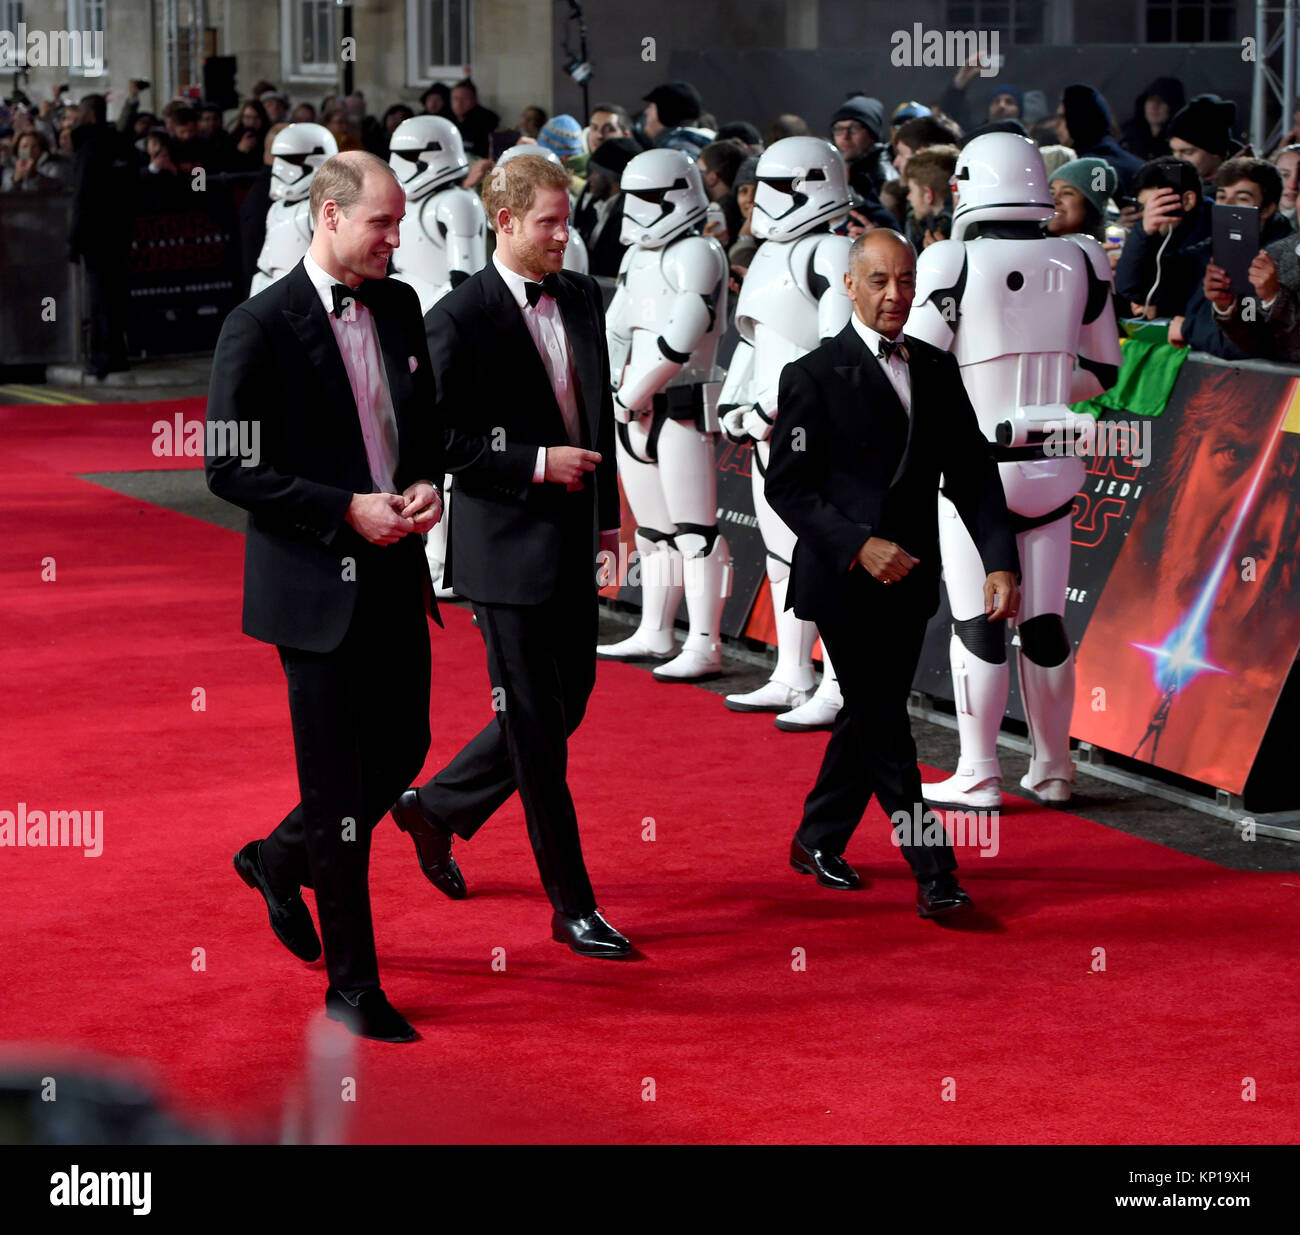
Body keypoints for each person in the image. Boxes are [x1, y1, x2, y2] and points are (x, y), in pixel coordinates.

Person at [207, 151, 446, 1043]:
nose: (397, 237)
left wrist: (426, 487)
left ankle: (278, 855)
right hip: (312, 585)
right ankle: (353, 985)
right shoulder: (256, 326)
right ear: (329, 215)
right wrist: (343, 508)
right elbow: (228, 466)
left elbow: (418, 435)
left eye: (400, 220)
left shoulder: (401, 304)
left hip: (396, 567)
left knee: (407, 745)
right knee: (340, 786)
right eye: (383, 223)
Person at [388, 152, 632, 959]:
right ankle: (573, 904)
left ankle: (437, 806)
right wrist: (533, 461)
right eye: (550, 223)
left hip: (572, 536)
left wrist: (606, 525)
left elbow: (596, 423)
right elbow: (438, 439)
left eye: (568, 219)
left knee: (570, 706)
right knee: (535, 727)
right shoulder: (458, 318)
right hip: (503, 548)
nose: (566, 235)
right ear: (504, 222)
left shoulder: (581, 297)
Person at [763, 230, 1020, 916]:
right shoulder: (812, 374)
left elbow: (972, 472)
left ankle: (816, 836)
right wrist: (858, 544)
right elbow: (786, 488)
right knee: (888, 725)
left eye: (905, 281)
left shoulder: (937, 367)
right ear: (850, 285)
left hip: (910, 579)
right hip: (844, 581)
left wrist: (999, 557)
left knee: (870, 713)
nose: (895, 295)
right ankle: (934, 869)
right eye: (879, 281)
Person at [1176, 158, 1292, 355]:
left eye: (1242, 198)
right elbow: (1148, 289)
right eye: (1221, 197)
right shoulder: (1213, 246)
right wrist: (1150, 235)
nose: (1228, 206)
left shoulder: (1279, 259)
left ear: (1267, 209)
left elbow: (1242, 343)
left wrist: (1187, 329)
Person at [1055, 84, 1143, 196]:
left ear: (1078, 120)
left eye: (1063, 117)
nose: (1056, 124)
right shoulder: (1128, 160)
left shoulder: (1095, 168)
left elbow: (1099, 207)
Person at [1120, 76, 1185, 160]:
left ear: (1173, 106)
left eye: (1161, 101)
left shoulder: (1181, 146)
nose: (1154, 106)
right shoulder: (1127, 138)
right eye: (1151, 100)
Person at [449, 77, 499, 158]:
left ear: (474, 100)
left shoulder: (487, 120)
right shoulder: (446, 119)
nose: (459, 103)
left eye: (464, 99)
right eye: (455, 98)